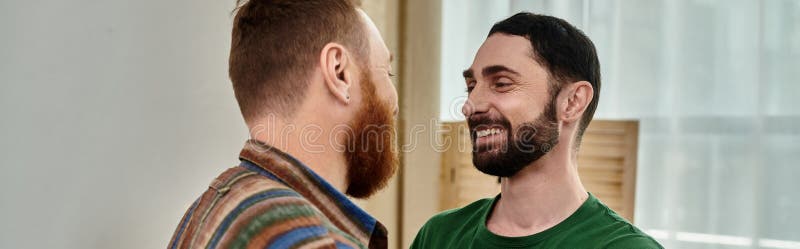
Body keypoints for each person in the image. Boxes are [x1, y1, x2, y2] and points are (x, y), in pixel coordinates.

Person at [411, 12, 662, 248]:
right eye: (471, 86)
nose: (469, 106)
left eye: (501, 83)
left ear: (572, 102)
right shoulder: (438, 235)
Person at [168, 0, 398, 248]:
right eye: (387, 72)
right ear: (339, 71)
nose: (394, 103)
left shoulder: (210, 208)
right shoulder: (316, 242)